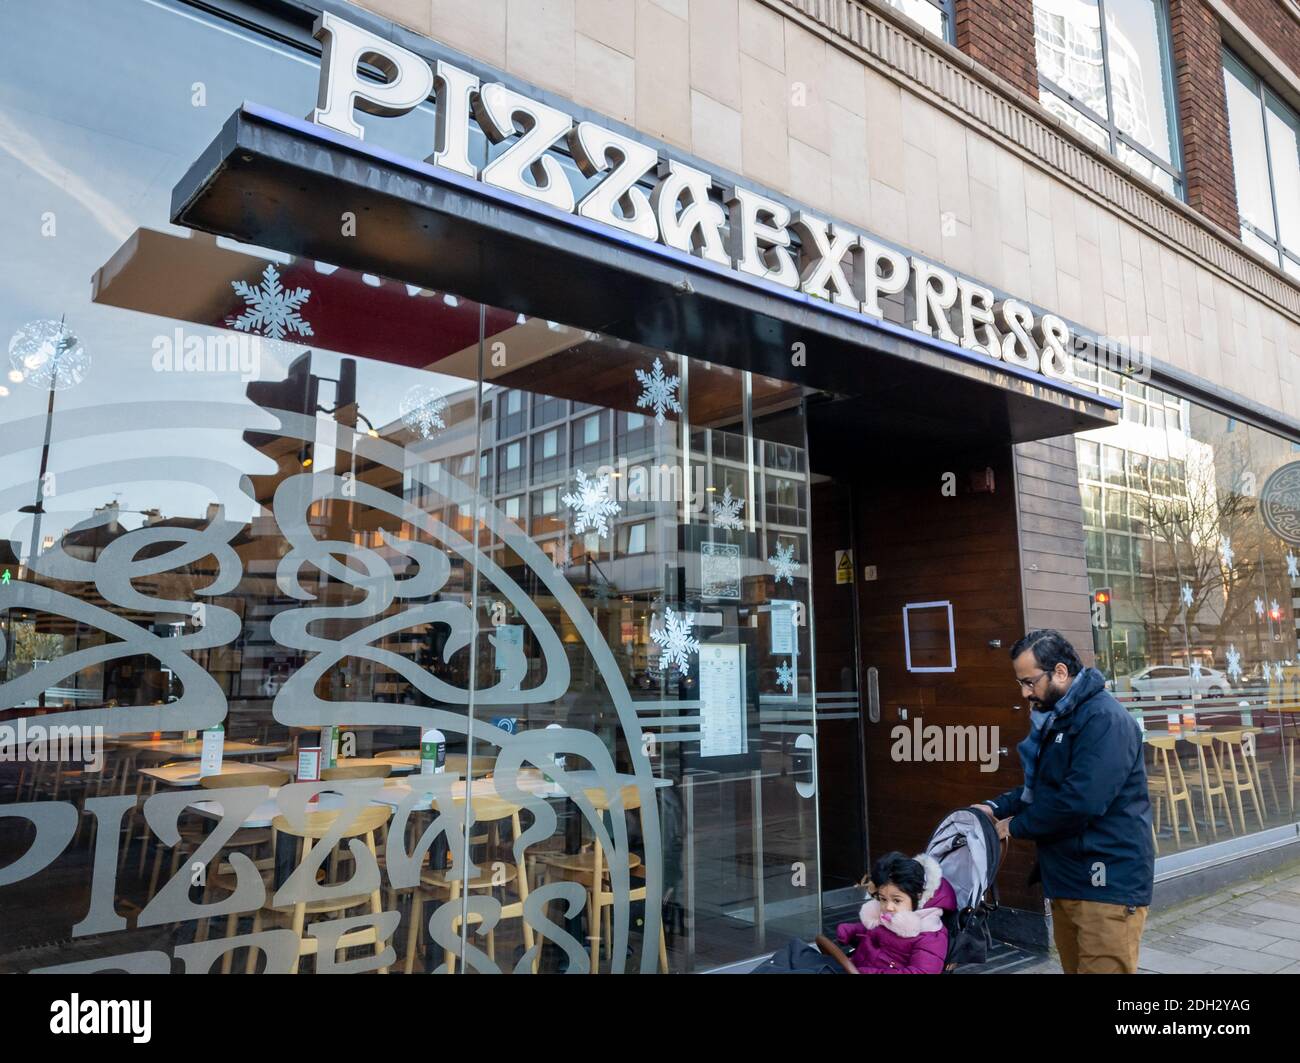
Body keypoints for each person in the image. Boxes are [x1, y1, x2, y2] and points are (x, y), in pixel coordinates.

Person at [974, 629, 1153, 974]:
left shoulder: (1104, 720)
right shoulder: (1061, 718)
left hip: (1106, 883)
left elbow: (1079, 801)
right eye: (1021, 683)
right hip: (1069, 878)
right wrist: (996, 807)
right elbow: (1045, 789)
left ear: (1059, 671)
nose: (1025, 693)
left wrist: (1015, 825)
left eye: (1030, 682)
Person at [833, 851, 956, 973]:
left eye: (896, 900)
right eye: (883, 899)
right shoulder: (889, 917)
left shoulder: (930, 936)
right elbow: (875, 934)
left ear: (918, 896)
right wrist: (854, 932)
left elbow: (922, 971)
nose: (888, 907)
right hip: (855, 966)